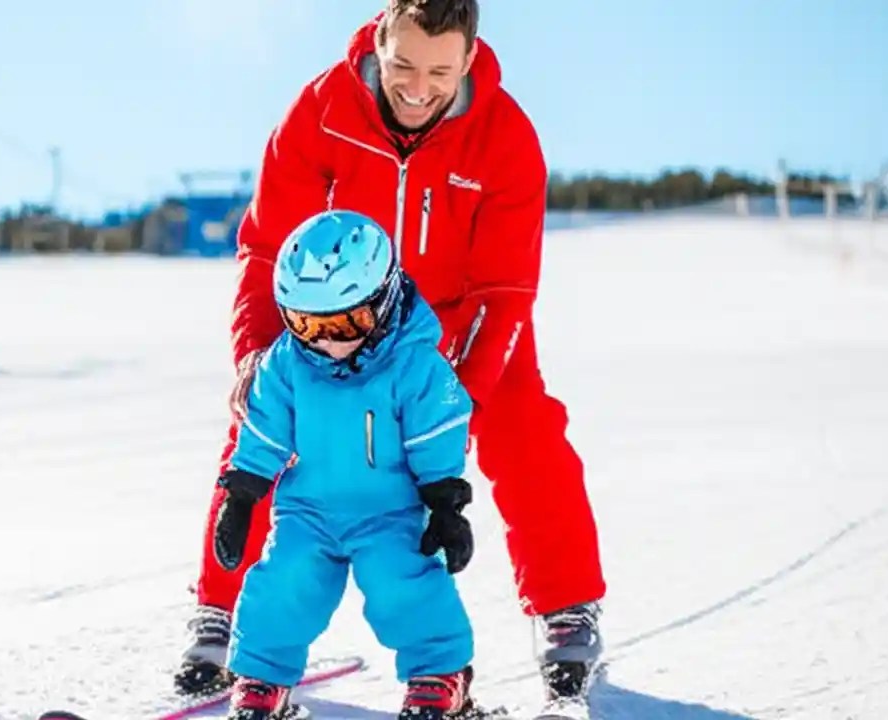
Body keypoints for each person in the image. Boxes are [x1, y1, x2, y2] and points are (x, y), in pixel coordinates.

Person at [176, 0, 607, 709]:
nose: (417, 86)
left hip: (461, 328)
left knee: (525, 428)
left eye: (439, 70)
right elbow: (267, 246)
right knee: (262, 427)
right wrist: (255, 351)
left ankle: (567, 609)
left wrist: (453, 402)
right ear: (378, 45)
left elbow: (506, 289)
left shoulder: (504, 135)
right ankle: (220, 612)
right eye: (402, 64)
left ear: (468, 58)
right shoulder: (320, 113)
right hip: (337, 317)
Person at [215, 209, 479, 720]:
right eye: (307, 323)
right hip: (308, 511)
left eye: (345, 323)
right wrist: (242, 493)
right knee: (282, 581)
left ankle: (442, 672)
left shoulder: (415, 365)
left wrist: (446, 506)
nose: (326, 341)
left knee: (403, 582)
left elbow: (438, 434)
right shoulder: (287, 363)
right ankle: (263, 676)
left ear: (384, 299)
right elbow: (264, 428)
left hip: (391, 512)